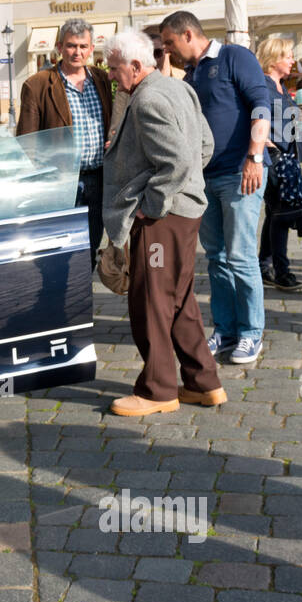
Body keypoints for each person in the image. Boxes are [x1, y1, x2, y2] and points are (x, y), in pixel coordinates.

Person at [102, 29, 223, 417]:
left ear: (136, 67)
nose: (110, 76)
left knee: (151, 302)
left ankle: (157, 391)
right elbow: (205, 145)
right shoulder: (178, 88)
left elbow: (178, 162)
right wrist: (184, 189)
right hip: (182, 213)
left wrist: (152, 205)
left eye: (114, 68)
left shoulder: (148, 98)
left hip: (164, 218)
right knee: (179, 300)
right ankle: (204, 383)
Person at [159, 11, 272, 365]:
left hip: (241, 173)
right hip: (204, 178)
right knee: (218, 258)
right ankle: (225, 328)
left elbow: (261, 106)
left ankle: (252, 333)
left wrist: (254, 157)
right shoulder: (189, 74)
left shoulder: (234, 57)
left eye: (168, 42)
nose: (166, 50)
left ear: (188, 34)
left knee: (240, 256)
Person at [17, 17, 114, 262]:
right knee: (61, 251)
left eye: (83, 46)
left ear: (92, 49)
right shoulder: (37, 84)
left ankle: (81, 297)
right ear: (59, 47)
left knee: (90, 248)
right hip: (61, 182)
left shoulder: (101, 79)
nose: (77, 52)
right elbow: (26, 143)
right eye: (71, 45)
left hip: (99, 179)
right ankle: (61, 297)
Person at [256, 37, 302, 292]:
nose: (291, 60)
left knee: (276, 214)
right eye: (287, 56)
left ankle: (264, 266)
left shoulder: (280, 86)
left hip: (287, 160)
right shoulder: (263, 86)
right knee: (281, 215)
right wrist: (269, 146)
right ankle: (281, 270)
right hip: (274, 160)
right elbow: (255, 119)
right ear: (274, 58)